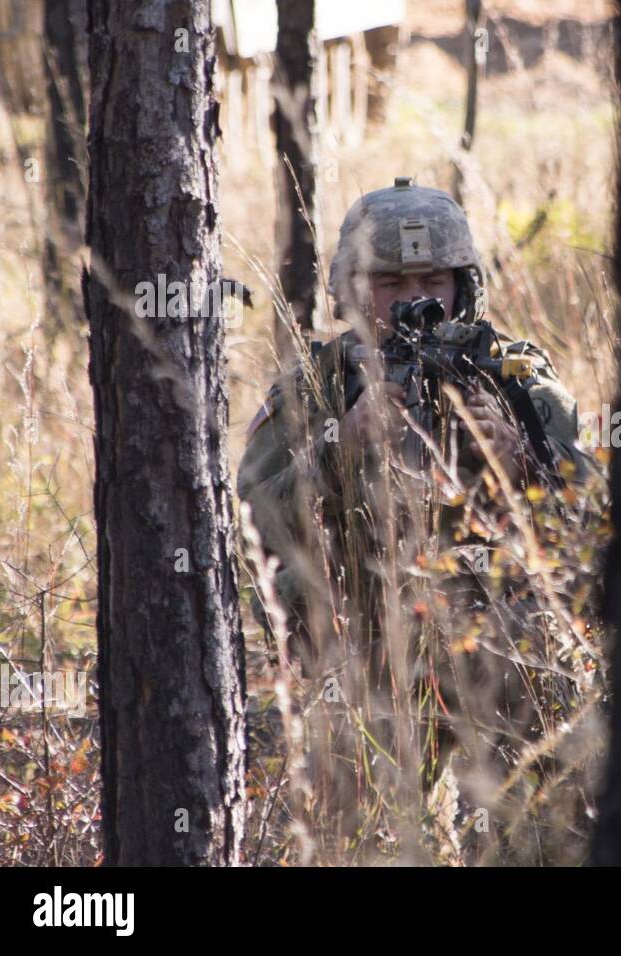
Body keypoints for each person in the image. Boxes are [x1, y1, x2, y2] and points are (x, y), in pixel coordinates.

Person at [237, 178, 594, 833]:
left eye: (431, 281)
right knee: (365, 830)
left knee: (534, 826)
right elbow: (253, 527)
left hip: (505, 649)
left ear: (463, 285)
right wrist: (338, 451)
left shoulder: (517, 378)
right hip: (364, 650)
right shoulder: (314, 389)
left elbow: (591, 524)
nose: (413, 300)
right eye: (391, 284)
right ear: (353, 291)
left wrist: (519, 457)